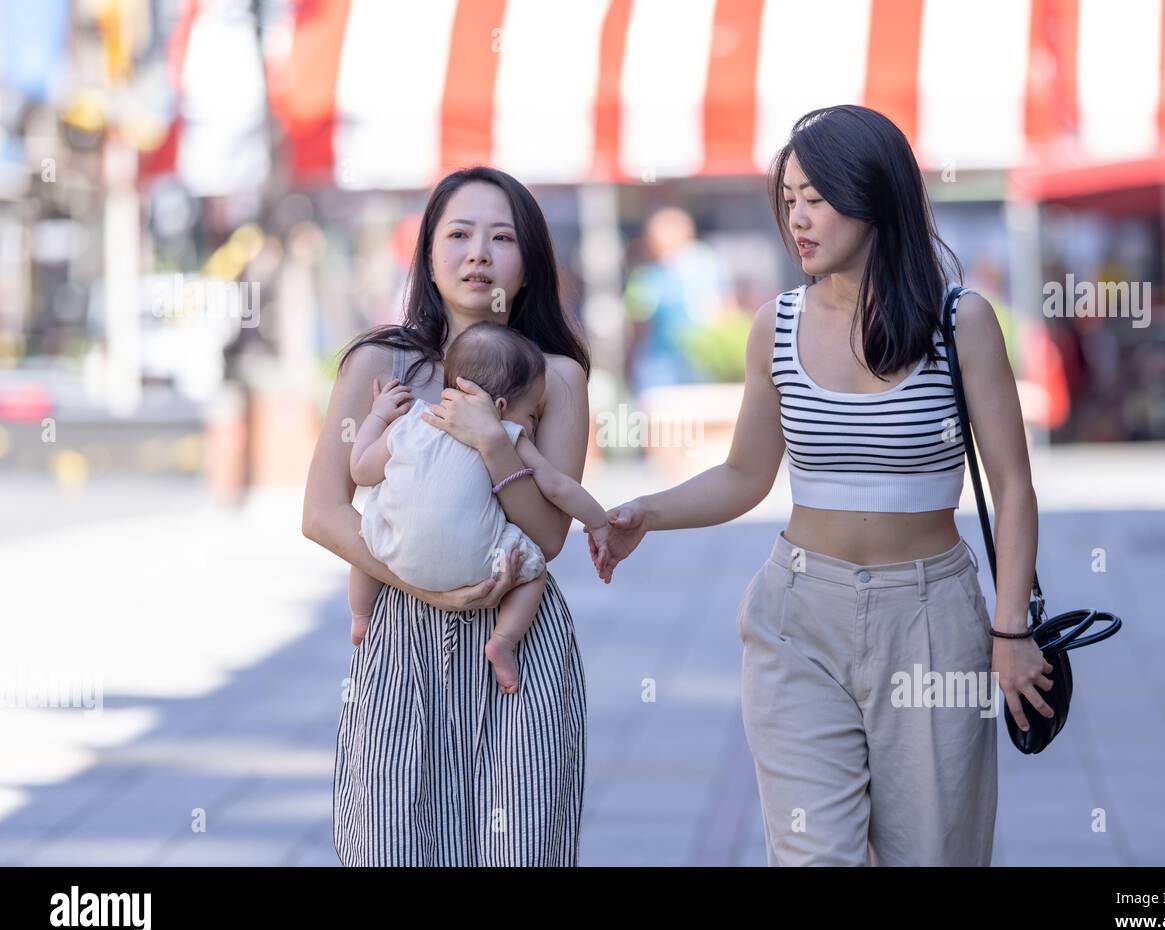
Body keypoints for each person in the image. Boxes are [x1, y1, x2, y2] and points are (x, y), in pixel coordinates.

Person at [589, 106, 1052, 866]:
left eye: (817, 198)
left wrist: (1009, 631)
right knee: (814, 856)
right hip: (797, 618)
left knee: (933, 854)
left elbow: (1013, 487)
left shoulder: (958, 322)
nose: (797, 219)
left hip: (931, 620)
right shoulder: (775, 325)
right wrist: (647, 511)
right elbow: (745, 474)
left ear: (875, 198)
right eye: (790, 199)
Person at [302, 165, 592, 866]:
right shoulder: (381, 366)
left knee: (520, 845)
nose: (479, 254)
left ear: (529, 265)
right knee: (393, 845)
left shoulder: (557, 378)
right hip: (400, 639)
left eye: (502, 238)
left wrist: (495, 445)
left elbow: (548, 534)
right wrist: (419, 585)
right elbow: (322, 511)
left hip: (516, 648)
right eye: (458, 234)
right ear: (429, 255)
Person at [349, 321, 612, 695]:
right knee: (533, 568)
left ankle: (361, 617)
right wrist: (598, 521)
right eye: (533, 415)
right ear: (501, 407)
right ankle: (502, 641)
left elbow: (360, 470)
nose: (533, 425)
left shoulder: (411, 422)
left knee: (369, 525)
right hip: (482, 572)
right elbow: (557, 487)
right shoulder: (510, 434)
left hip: (398, 562)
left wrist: (377, 417)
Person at [622, 207, 733, 393]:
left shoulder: (649, 276)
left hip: (661, 370)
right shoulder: (709, 261)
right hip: (705, 366)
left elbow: (639, 326)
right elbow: (726, 311)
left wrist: (629, 363)